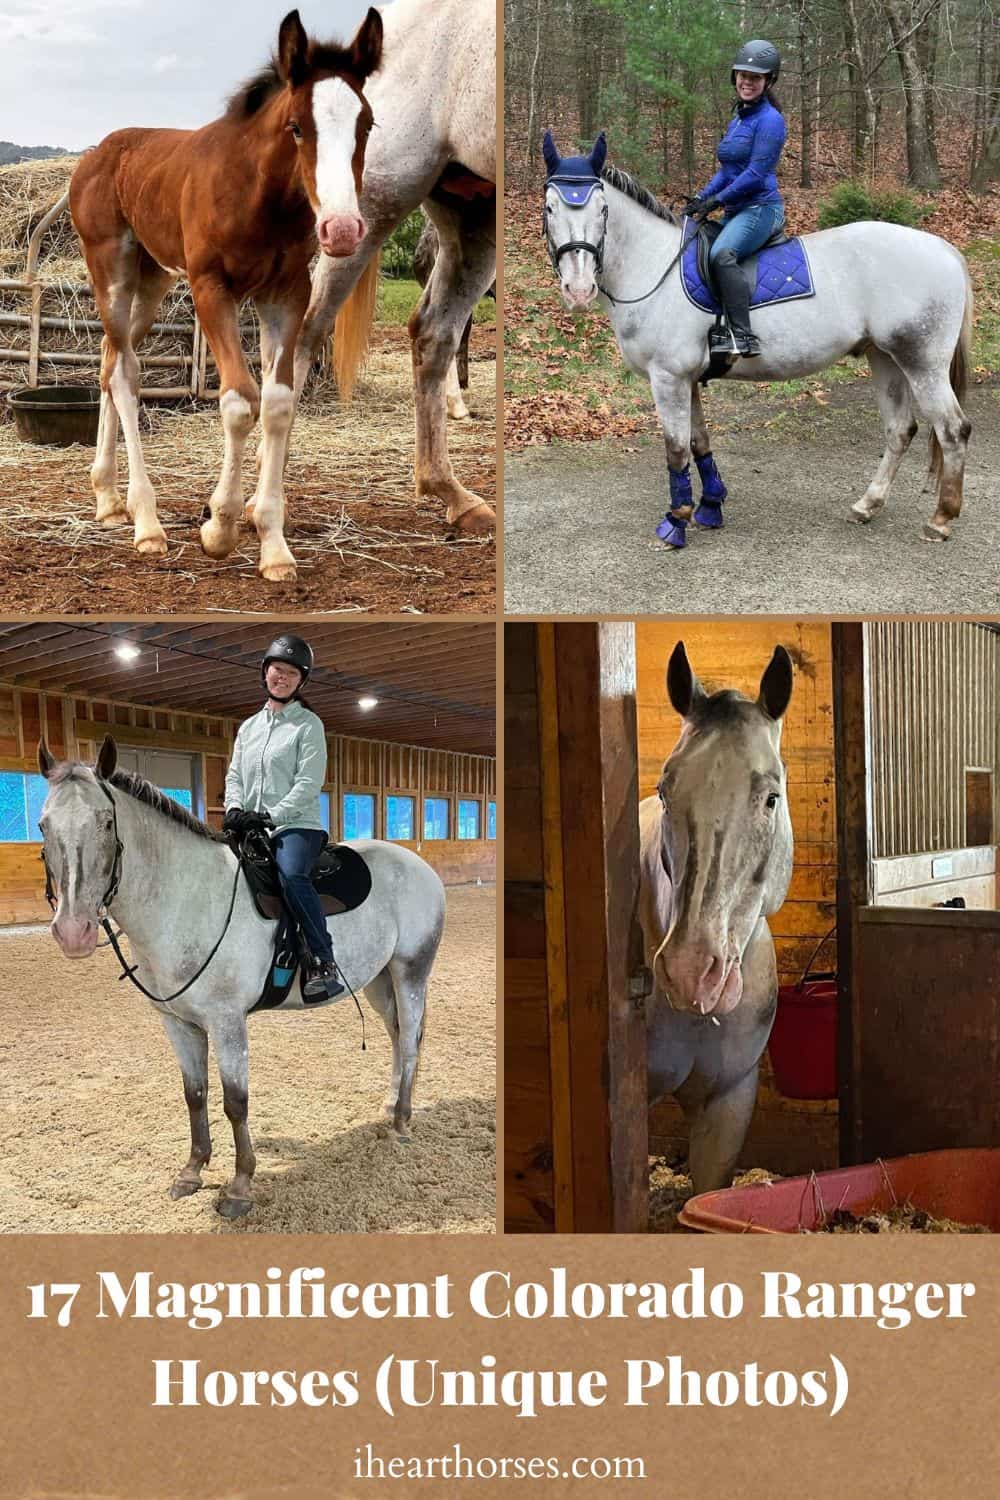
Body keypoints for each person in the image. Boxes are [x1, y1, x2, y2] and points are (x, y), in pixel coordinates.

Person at [223, 634, 344, 1000]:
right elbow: (235, 775)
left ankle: (322, 959)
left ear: (300, 681)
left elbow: (308, 784)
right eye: (278, 669)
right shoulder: (248, 727)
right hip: (252, 824)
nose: (282, 677)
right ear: (265, 672)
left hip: (296, 826)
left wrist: (269, 816)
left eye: (291, 673)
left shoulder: (309, 726)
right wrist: (234, 809)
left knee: (291, 876)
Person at [685, 41, 786, 358]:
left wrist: (716, 201)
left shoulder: (770, 120)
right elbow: (728, 171)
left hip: (760, 209)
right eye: (743, 75)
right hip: (735, 210)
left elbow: (755, 174)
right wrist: (702, 197)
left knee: (722, 255)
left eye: (755, 77)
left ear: (768, 81)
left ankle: (742, 336)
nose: (747, 81)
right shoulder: (738, 119)